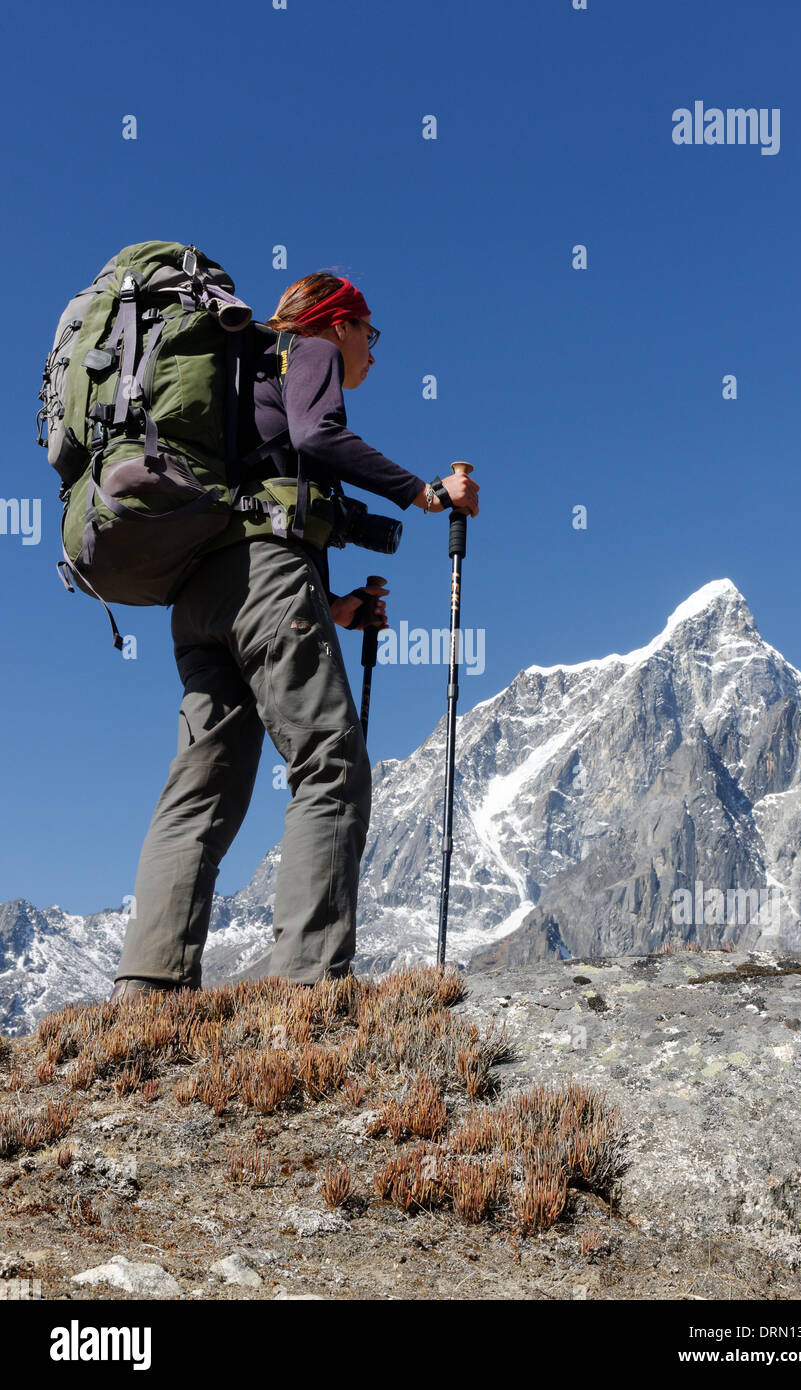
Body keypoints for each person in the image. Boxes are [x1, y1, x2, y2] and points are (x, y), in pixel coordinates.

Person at [109, 272, 479, 1000]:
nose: (371, 352)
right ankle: (308, 987)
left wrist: (330, 605)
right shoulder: (302, 349)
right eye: (368, 334)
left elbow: (264, 496)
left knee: (200, 789)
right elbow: (317, 433)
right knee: (330, 761)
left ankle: (146, 990)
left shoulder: (236, 376)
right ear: (338, 322)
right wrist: (423, 491)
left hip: (200, 598)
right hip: (268, 584)